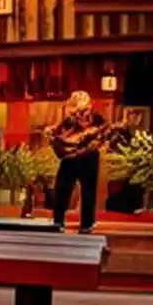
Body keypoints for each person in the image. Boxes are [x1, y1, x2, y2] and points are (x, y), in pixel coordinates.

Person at [47, 90, 107, 233]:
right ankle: (60, 220)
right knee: (64, 188)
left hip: (86, 156)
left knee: (85, 190)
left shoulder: (95, 118)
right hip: (72, 157)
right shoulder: (69, 119)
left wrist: (91, 145)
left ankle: (84, 223)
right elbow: (58, 131)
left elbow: (102, 134)